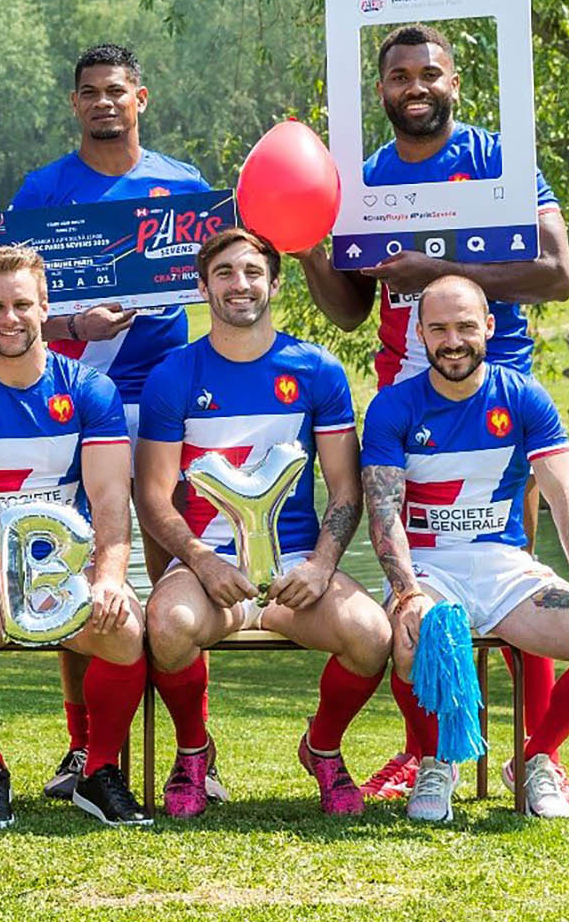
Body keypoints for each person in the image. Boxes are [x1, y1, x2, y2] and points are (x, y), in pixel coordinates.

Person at [292, 23, 569, 800]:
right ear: (380, 89)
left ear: (455, 81)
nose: (414, 87)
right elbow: (352, 311)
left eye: (429, 73)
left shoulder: (497, 159)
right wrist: (311, 248)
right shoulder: (364, 178)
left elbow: (556, 274)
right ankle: (429, 753)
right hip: (401, 400)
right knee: (410, 578)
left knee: (512, 563)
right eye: (399, 76)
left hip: (495, 389)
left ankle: (536, 756)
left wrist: (439, 269)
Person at [0, 43, 209, 801]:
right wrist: (73, 325)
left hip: (161, 405)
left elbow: (219, 290)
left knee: (172, 568)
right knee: (79, 573)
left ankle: (193, 748)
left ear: (141, 97)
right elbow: (15, 320)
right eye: (89, 93)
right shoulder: (45, 191)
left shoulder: (184, 189)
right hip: (69, 405)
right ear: (75, 103)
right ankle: (85, 747)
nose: (104, 104)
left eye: (116, 91)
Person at [134, 228, 386, 818]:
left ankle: (322, 749)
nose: (239, 284)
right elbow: (151, 497)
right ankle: (193, 751)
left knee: (371, 636)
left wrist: (323, 565)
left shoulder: (317, 370)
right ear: (203, 287)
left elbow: (346, 488)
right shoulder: (174, 375)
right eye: (223, 273)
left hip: (295, 560)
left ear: (275, 282)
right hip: (206, 566)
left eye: (252, 271)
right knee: (168, 626)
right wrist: (200, 560)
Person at [362, 275, 569, 821]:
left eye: (465, 326)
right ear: (420, 332)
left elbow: (566, 502)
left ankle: (536, 759)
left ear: (488, 326)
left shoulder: (523, 397)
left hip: (505, 568)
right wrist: (407, 592)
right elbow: (383, 510)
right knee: (411, 637)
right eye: (438, 328)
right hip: (430, 567)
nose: (452, 340)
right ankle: (438, 762)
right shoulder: (393, 406)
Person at [0, 244, 152, 828]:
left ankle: (98, 772)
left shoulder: (92, 391)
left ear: (46, 305)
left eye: (22, 303)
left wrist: (110, 578)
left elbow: (108, 500)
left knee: (125, 630)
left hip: (62, 571)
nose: (9, 318)